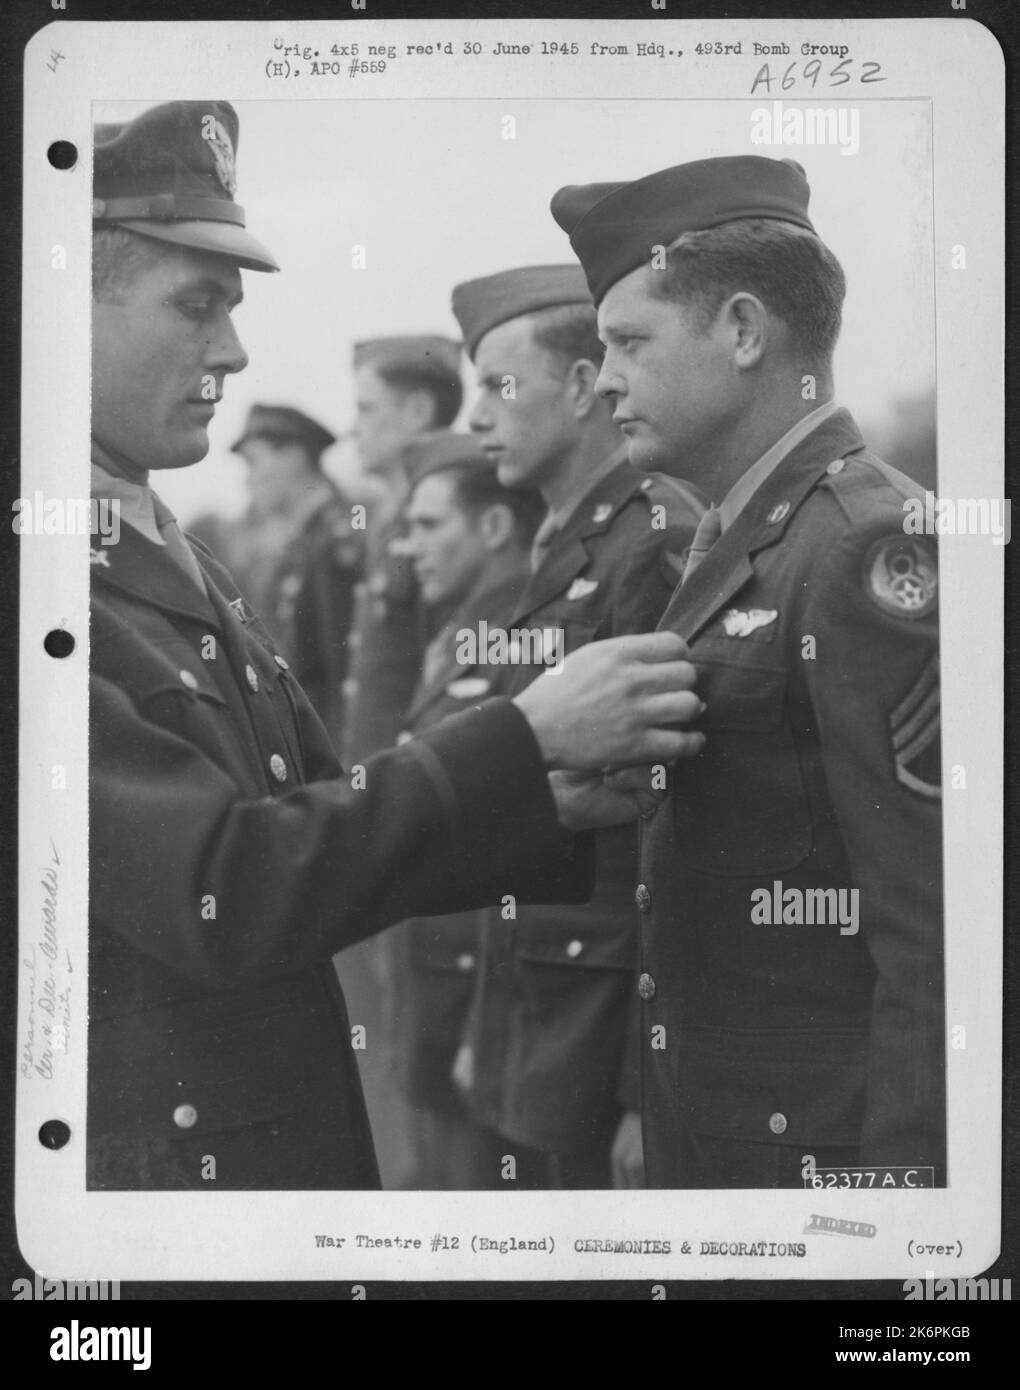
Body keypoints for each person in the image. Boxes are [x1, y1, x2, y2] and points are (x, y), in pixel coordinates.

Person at [86, 99, 706, 1191]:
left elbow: (314, 800)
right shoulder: (54, 582)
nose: (231, 349)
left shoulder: (161, 546)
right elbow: (226, 883)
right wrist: (522, 741)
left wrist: (541, 795)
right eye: (194, 306)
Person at [551, 154, 945, 1187]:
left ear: (740, 331)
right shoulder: (741, 537)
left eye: (629, 343)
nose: (608, 384)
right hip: (727, 1141)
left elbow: (938, 940)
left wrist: (898, 1228)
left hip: (824, 1175)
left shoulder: (866, 548)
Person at [450, 265, 707, 1189]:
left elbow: (680, 824)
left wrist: (650, 1088)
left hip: (609, 1026)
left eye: (496, 385)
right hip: (546, 1003)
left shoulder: (655, 537)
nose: (475, 416)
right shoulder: (560, 539)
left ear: (576, 385)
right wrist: (494, 1032)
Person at [388, 434, 545, 1188]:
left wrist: (488, 1028)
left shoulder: (526, 635)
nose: (405, 544)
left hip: (482, 1003)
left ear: (492, 528)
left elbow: (518, 851)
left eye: (427, 526)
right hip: (441, 983)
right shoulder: (457, 632)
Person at [225, 404, 363, 747]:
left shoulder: (335, 543)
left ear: (293, 457)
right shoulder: (303, 544)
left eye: (254, 462)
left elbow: (342, 679)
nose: (248, 479)